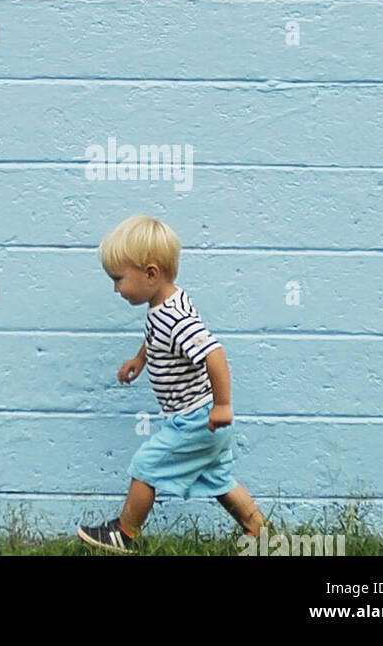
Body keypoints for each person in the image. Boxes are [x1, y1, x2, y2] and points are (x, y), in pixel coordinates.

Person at [77, 214, 267, 552]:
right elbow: (156, 339)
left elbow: (215, 354)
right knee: (219, 480)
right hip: (202, 419)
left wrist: (223, 405)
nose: (115, 288)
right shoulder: (164, 305)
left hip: (197, 419)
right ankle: (262, 535)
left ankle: (125, 533)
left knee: (146, 465)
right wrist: (140, 359)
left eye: (119, 279)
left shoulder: (176, 318)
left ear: (151, 273)